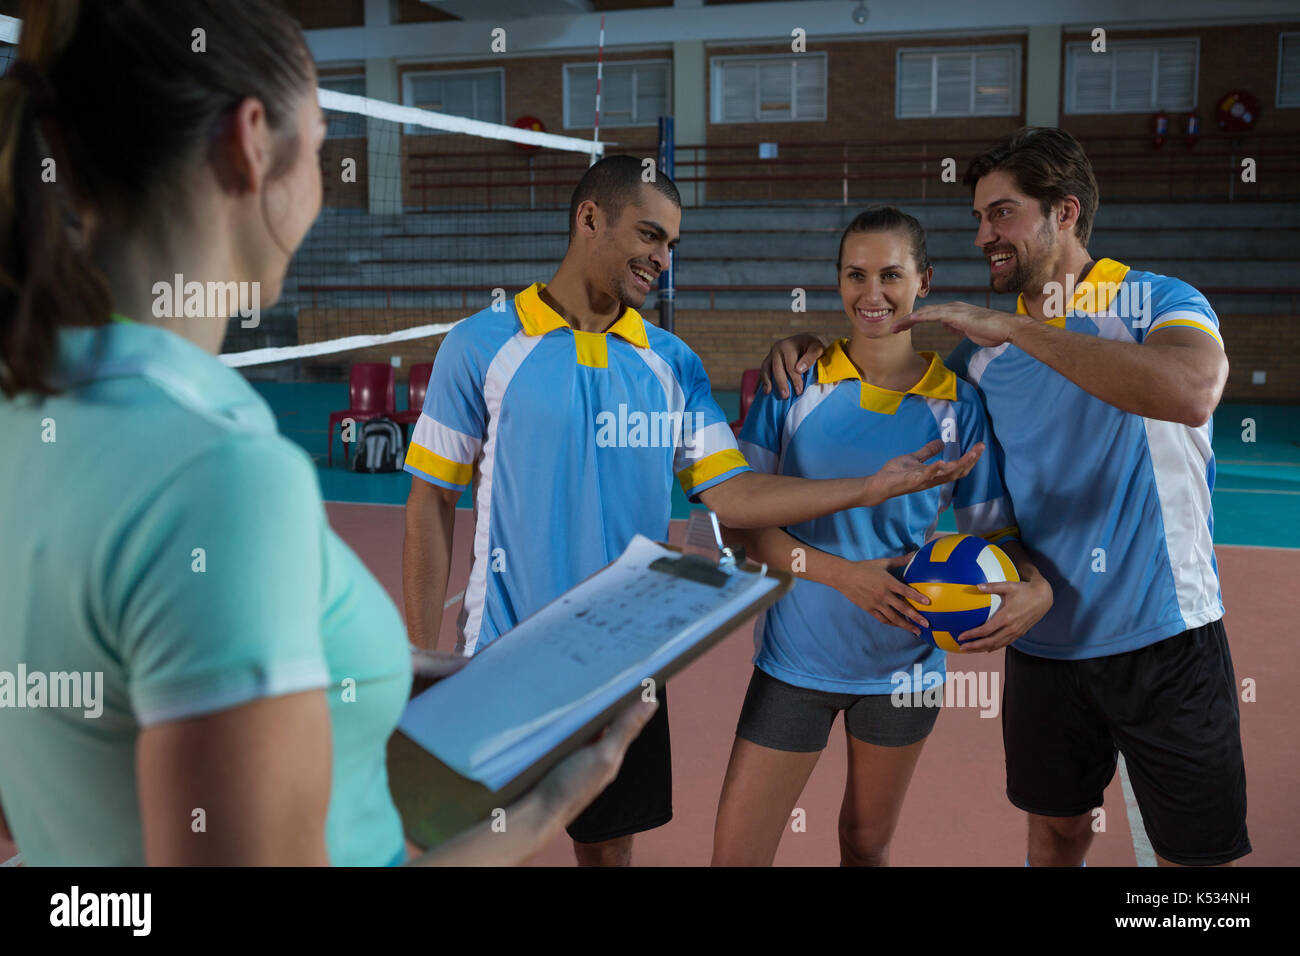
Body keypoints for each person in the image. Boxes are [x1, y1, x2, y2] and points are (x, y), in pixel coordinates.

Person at [0, 0, 655, 867]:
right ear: (250, 144)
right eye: (317, 144)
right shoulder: (218, 479)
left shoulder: (30, 405)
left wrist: (398, 675)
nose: (321, 175)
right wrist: (533, 818)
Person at [402, 158, 985, 867]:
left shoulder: (672, 364)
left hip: (622, 664)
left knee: (610, 850)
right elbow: (431, 500)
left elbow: (735, 496)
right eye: (650, 235)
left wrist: (866, 488)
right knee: (470, 851)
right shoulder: (481, 343)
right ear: (590, 220)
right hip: (496, 658)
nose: (662, 259)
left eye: (672, 245)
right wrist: (417, 657)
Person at [760, 127, 1248, 867]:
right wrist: (802, 343)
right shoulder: (977, 359)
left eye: (1004, 214)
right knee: (1055, 835)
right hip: (1041, 643)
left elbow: (1189, 392)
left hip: (1164, 634)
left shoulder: (1155, 301)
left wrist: (1022, 328)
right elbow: (973, 483)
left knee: (1194, 864)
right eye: (980, 219)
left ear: (1065, 213)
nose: (985, 235)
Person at [711, 207, 1051, 867]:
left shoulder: (959, 406)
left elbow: (991, 537)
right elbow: (744, 530)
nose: (873, 294)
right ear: (837, 283)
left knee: (866, 845)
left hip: (906, 666)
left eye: (890, 275)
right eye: (856, 275)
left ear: (924, 280)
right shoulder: (792, 385)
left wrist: (1029, 588)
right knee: (738, 855)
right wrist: (845, 575)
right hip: (795, 662)